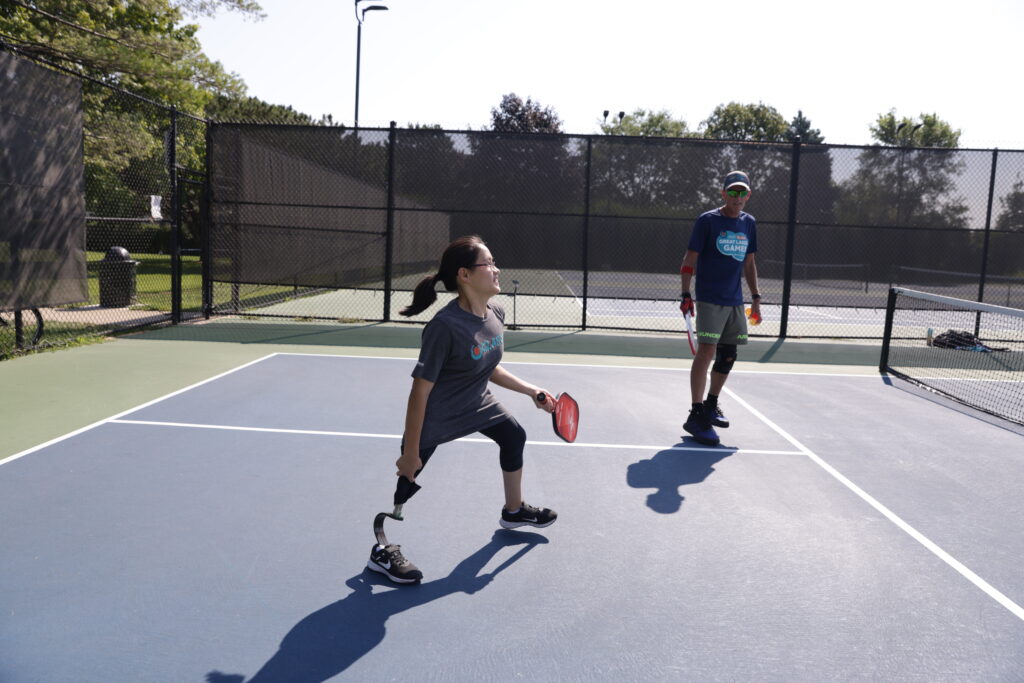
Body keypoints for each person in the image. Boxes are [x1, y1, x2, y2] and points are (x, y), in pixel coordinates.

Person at [367, 235, 559, 584]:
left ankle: (514, 512)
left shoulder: (495, 313)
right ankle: (380, 550)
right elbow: (419, 393)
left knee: (513, 435)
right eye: (489, 263)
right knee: (406, 478)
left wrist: (531, 390)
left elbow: (486, 364)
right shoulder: (444, 327)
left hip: (477, 403)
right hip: (437, 414)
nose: (497, 270)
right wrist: (411, 452)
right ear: (465, 275)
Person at [678, 170, 761, 446]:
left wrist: (756, 297)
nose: (738, 198)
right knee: (707, 351)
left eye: (743, 193)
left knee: (728, 355)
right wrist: (686, 292)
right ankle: (696, 413)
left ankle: (712, 403)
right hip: (709, 298)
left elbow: (749, 264)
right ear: (723, 193)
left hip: (735, 301)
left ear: (748, 195)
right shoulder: (707, 221)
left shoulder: (749, 223)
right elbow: (690, 258)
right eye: (733, 192)